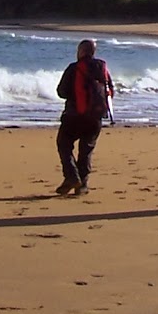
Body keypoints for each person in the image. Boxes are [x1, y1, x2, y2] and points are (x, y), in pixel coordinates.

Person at [55, 38, 113, 196]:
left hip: (73, 116)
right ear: (93, 52)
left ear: (80, 51)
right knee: (86, 150)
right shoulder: (102, 69)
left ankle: (72, 177)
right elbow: (109, 92)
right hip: (95, 118)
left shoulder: (73, 68)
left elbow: (61, 92)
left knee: (64, 144)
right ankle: (82, 185)